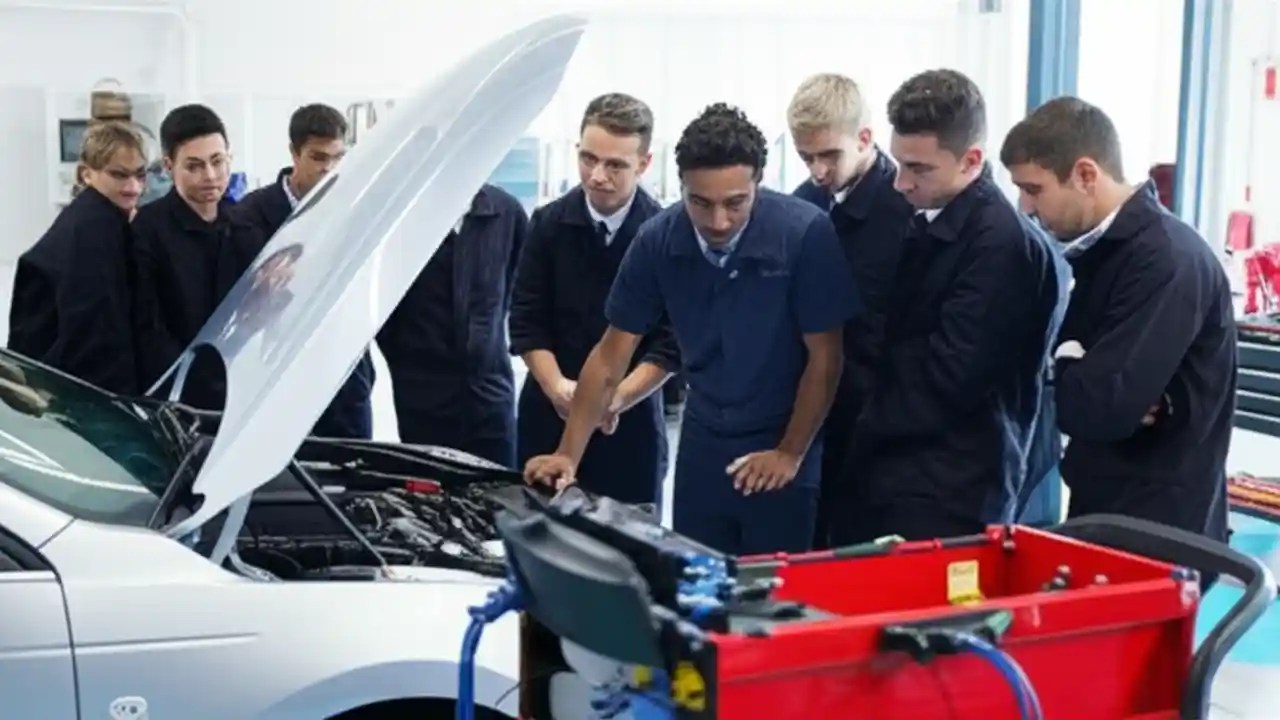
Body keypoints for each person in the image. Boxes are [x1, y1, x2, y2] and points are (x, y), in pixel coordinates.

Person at [525, 103, 857, 556]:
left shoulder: (803, 234)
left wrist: (790, 453)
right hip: (703, 442)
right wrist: (568, 453)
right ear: (679, 186)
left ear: (757, 183)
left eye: (735, 203)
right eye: (700, 202)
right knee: (694, 582)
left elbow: (827, 357)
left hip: (782, 434)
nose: (718, 222)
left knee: (775, 595)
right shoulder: (658, 241)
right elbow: (610, 355)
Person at [846, 69, 1067, 541]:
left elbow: (950, 380)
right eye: (899, 163)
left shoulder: (1000, 246)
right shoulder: (928, 219)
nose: (899, 183)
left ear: (971, 160)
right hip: (900, 473)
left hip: (952, 493)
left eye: (919, 169)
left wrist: (868, 407)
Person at [1000, 96, 1234, 541]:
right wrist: (1079, 371)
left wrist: (1066, 363)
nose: (1025, 207)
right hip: (1109, 506)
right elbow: (1098, 398)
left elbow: (1098, 410)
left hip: (1161, 531)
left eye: (1034, 190)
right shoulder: (1105, 254)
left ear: (1086, 175)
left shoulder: (1166, 261)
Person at [509, 93, 678, 503]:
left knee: (628, 554)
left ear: (644, 163)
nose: (597, 175)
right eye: (588, 158)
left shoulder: (666, 236)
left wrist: (613, 400)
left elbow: (672, 343)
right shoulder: (548, 225)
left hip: (629, 424)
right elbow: (527, 322)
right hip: (548, 414)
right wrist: (557, 389)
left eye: (615, 165)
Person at [787, 73, 914, 549]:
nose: (818, 171)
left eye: (828, 156)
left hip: (880, 429)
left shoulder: (907, 213)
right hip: (815, 420)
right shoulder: (801, 207)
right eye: (806, 157)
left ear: (865, 138)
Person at [232, 103, 377, 439]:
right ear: (294, 153)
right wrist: (263, 290)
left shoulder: (359, 210)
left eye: (338, 158)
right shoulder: (249, 215)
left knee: (353, 477)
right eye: (318, 158)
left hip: (343, 375)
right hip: (274, 376)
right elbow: (235, 304)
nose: (329, 169)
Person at [374, 184, 528, 466]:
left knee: (500, 494)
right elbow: (382, 307)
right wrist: (410, 360)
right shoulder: (401, 217)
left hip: (489, 392)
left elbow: (519, 290)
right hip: (423, 395)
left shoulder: (505, 212)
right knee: (428, 498)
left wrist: (485, 340)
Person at [132, 104, 264, 409]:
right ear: (168, 166)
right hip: (175, 397)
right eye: (194, 166)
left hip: (238, 393)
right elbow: (147, 329)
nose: (211, 176)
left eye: (218, 162)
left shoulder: (245, 226)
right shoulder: (148, 231)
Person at [8, 121, 148, 395]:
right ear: (87, 174)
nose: (133, 187)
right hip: (68, 392)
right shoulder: (93, 229)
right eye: (119, 175)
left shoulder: (94, 217)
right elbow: (95, 335)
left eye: (140, 175)